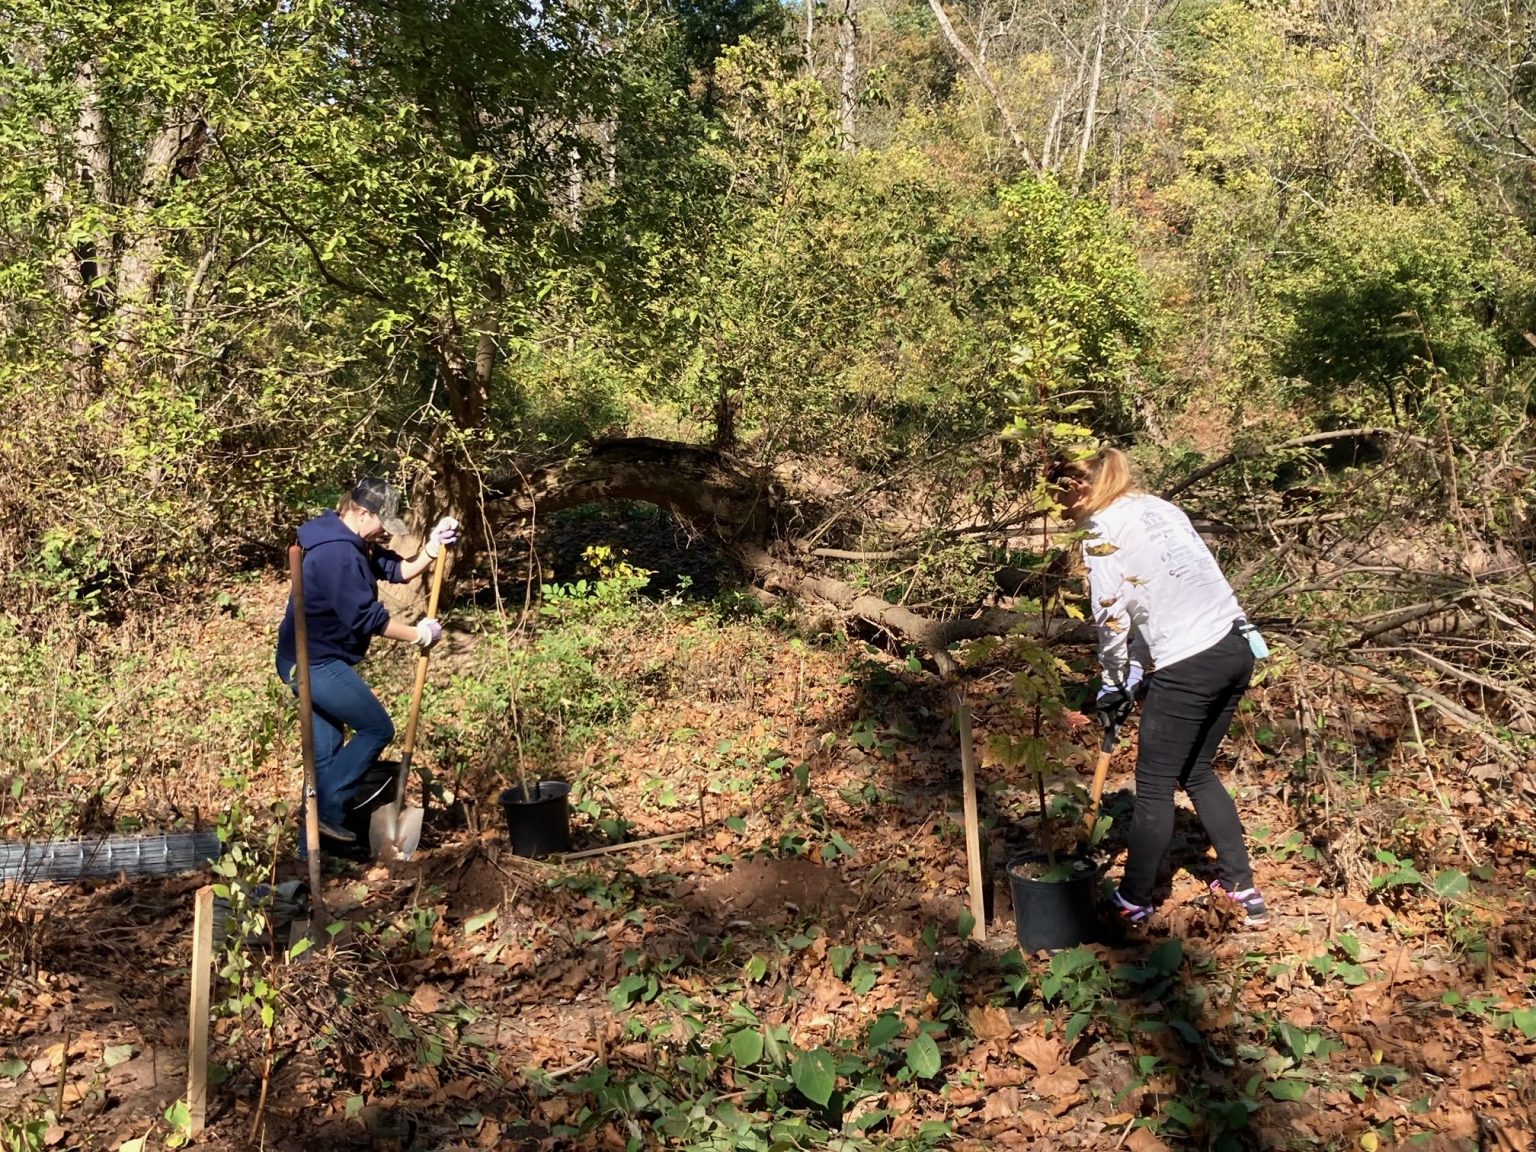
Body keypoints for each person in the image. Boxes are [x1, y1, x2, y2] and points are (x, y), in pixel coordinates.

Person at [1049, 447, 1271, 929]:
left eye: (1060, 494)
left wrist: (1112, 681)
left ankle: (1133, 899)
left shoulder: (1101, 530)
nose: (1058, 507)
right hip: (1235, 646)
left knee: (1152, 786)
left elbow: (1112, 616)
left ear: (1082, 488)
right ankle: (1242, 888)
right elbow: (1163, 595)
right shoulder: (1161, 509)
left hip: (1190, 661)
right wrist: (1137, 670)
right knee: (1196, 770)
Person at [275, 478, 459, 843]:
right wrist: (418, 634)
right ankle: (325, 815)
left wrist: (432, 549)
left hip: (315, 658)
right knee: (376, 728)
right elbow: (364, 618)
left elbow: (396, 570)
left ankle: (313, 854)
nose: (384, 534)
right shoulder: (336, 554)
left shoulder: (351, 541)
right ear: (361, 512)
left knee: (326, 759)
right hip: (313, 662)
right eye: (382, 524)